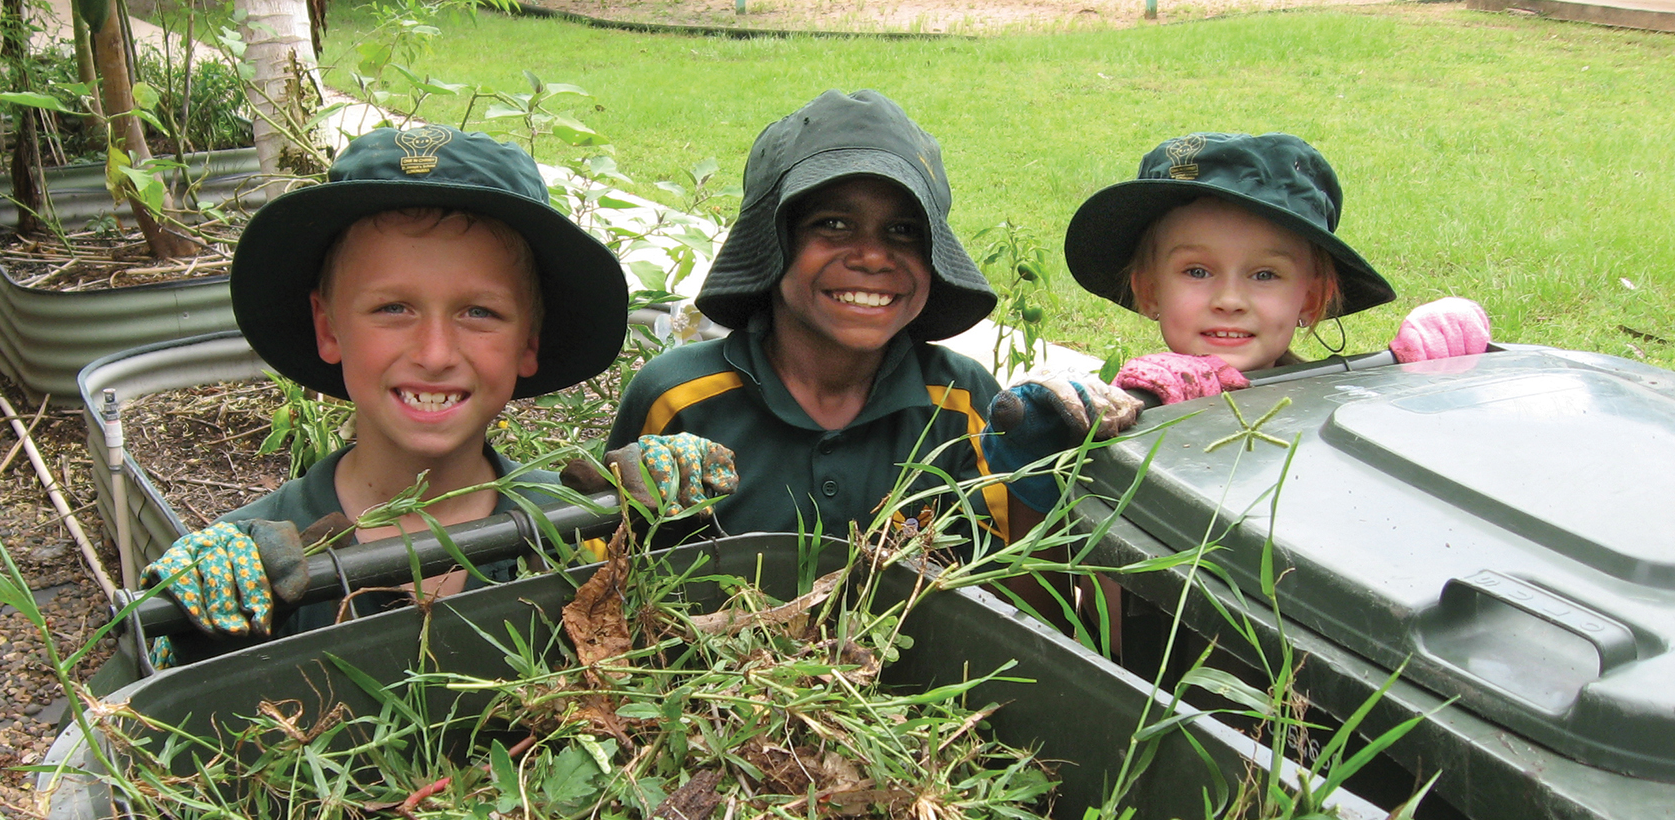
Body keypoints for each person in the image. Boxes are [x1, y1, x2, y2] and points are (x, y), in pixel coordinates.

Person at [143, 125, 731, 662]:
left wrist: (665, 534)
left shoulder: (583, 533)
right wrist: (184, 630)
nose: (435, 352)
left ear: (530, 340)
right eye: (392, 308)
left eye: (479, 312)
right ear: (328, 328)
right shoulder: (246, 569)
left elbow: (678, 668)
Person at [987, 130, 1492, 521]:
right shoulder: (1116, 417)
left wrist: (1433, 369)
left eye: (1265, 274)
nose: (1230, 300)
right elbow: (1038, 586)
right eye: (1198, 271)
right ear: (1149, 291)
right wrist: (1047, 429)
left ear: (1311, 299)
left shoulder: (1342, 412)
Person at [608, 89, 1016, 555]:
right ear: (771, 244)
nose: (873, 256)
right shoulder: (678, 395)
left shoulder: (959, 400)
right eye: (834, 224)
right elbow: (602, 579)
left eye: (904, 230)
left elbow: (1021, 596)